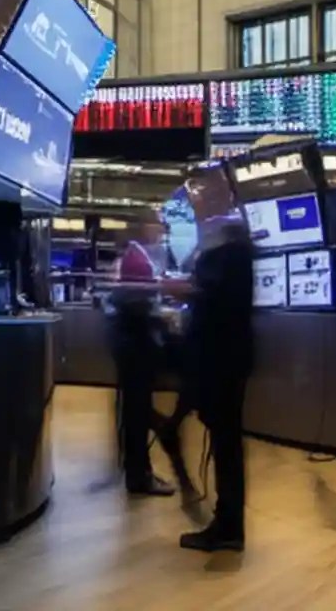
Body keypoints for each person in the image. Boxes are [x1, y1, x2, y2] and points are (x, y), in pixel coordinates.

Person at [179, 215, 254, 552]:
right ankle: (228, 524)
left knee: (225, 446)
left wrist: (184, 287)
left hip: (220, 364)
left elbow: (209, 297)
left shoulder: (226, 260)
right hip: (230, 362)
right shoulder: (238, 258)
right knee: (228, 446)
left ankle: (227, 528)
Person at [107, 210, 179, 496]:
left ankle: (138, 471)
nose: (161, 231)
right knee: (137, 411)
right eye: (157, 225)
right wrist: (163, 314)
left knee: (135, 410)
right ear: (143, 227)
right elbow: (137, 303)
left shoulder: (135, 255)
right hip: (136, 345)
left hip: (129, 344)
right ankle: (139, 476)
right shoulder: (137, 259)